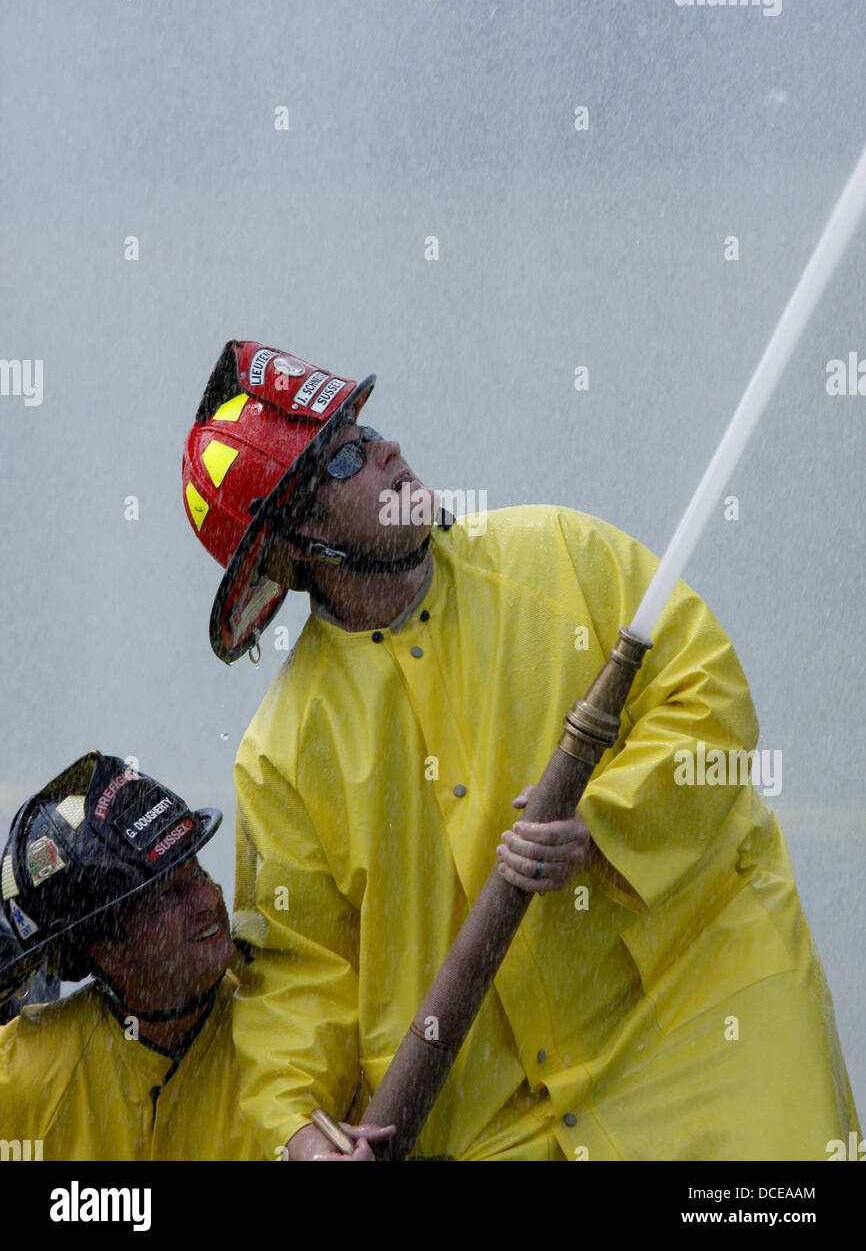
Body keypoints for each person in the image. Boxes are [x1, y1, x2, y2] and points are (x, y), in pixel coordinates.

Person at [182, 339, 860, 1161]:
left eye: (368, 427)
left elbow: (707, 696)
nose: (388, 451)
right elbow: (300, 969)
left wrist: (603, 830)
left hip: (705, 1035)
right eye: (345, 456)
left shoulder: (559, 554)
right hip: (496, 1120)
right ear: (300, 541)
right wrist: (295, 1127)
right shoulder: (282, 755)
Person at [0, 751, 264, 1161]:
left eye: (197, 872)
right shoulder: (25, 1079)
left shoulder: (286, 1038)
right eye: (169, 894)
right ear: (109, 951)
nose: (209, 898)